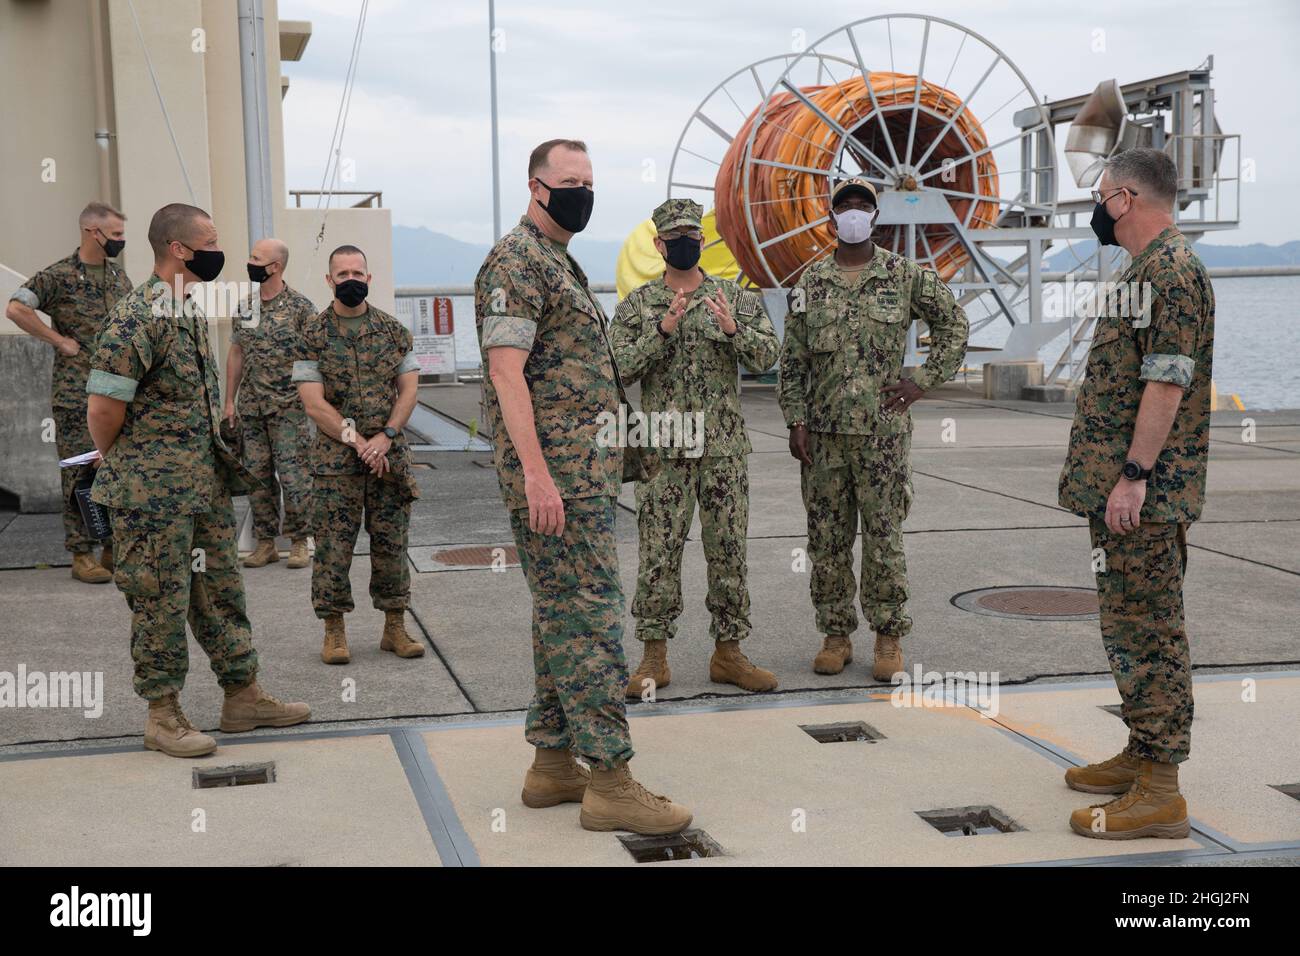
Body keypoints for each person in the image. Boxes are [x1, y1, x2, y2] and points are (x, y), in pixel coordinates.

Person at [474, 138, 691, 835]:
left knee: (560, 617)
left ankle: (554, 765)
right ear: (537, 187)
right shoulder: (516, 261)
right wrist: (538, 475)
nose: (583, 192)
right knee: (592, 618)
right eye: (571, 181)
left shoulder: (557, 262)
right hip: (557, 478)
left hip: (581, 472)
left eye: (590, 180)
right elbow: (507, 373)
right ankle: (611, 781)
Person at [85, 202, 310, 757]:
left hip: (201, 484)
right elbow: (102, 409)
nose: (219, 247)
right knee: (159, 600)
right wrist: (130, 465)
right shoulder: (137, 316)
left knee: (219, 593)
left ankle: (243, 695)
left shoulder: (186, 306)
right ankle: (162, 715)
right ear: (179, 249)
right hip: (153, 493)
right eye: (209, 239)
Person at [1059, 148, 1214, 840]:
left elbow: (1167, 381)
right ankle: (1141, 753)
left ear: (1126, 198)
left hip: (1146, 497)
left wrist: (1134, 476)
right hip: (1119, 492)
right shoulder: (1141, 270)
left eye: (1100, 196)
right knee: (1126, 626)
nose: (1096, 208)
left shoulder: (1173, 272)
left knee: (1149, 631)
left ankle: (1161, 792)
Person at [778, 177, 968, 680]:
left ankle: (888, 637)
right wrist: (795, 421)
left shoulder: (905, 276)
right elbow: (792, 360)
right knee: (827, 541)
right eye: (846, 206)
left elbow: (954, 324)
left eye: (863, 205)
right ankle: (836, 635)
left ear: (875, 217)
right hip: (822, 438)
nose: (854, 212)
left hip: (883, 438)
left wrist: (920, 382)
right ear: (832, 218)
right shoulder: (810, 283)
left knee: (884, 539)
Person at [611, 198, 781, 699]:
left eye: (692, 233)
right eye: (673, 237)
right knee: (658, 552)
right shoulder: (639, 306)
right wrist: (661, 331)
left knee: (728, 549)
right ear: (659, 245)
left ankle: (729, 653)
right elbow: (619, 369)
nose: (684, 242)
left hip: (723, 447)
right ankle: (653, 656)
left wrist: (733, 329)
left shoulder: (733, 298)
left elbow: (769, 354)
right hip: (665, 447)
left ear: (702, 241)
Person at [293, 245, 424, 664]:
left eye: (358, 272)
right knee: (333, 548)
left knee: (391, 543)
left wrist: (386, 436)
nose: (351, 279)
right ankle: (334, 632)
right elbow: (313, 403)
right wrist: (359, 441)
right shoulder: (311, 335)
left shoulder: (393, 331)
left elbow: (409, 389)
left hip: (388, 459)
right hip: (336, 465)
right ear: (329, 280)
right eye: (342, 273)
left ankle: (394, 628)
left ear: (369, 278)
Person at [6, 202, 132, 583]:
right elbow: (15, 308)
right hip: (76, 393)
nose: (120, 242)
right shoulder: (59, 276)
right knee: (79, 470)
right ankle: (81, 553)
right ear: (92, 232)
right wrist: (58, 340)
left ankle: (112, 546)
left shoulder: (118, 278)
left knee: (116, 467)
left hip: (117, 392)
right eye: (115, 235)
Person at [223, 238, 317, 570]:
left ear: (275, 266)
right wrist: (229, 402)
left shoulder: (301, 308)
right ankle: (265, 543)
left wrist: (312, 402)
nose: (250, 262)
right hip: (252, 407)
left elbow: (314, 359)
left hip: (289, 408)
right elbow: (237, 353)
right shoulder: (246, 306)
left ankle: (300, 540)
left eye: (256, 258)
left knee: (294, 477)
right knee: (257, 477)